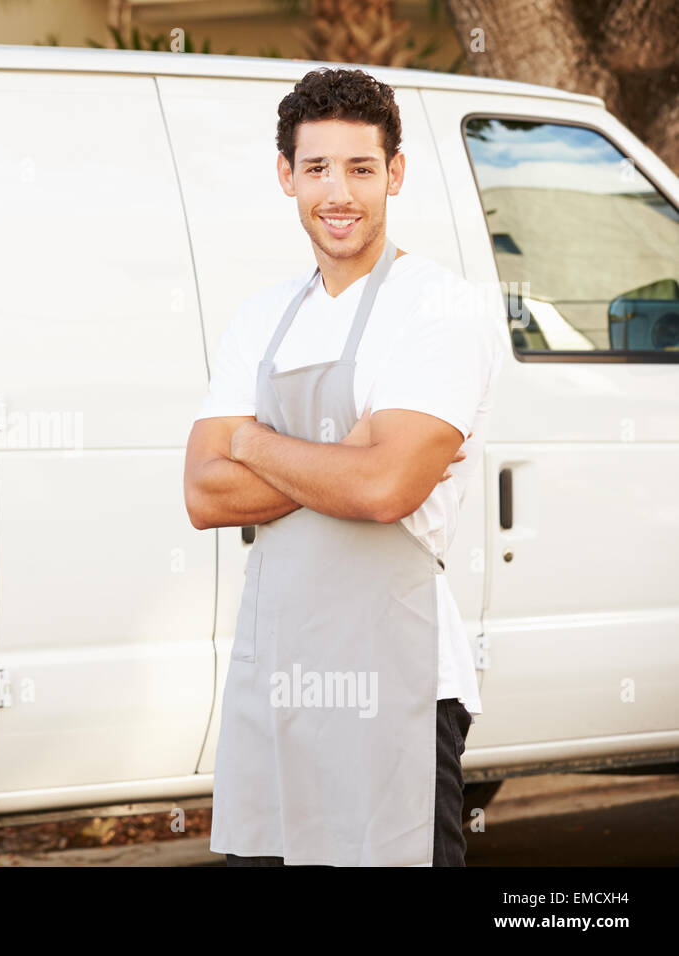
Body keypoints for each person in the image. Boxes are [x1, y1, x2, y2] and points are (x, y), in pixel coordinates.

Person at [183, 67, 505, 866]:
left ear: (395, 172)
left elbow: (386, 487)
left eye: (362, 168)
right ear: (287, 174)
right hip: (276, 683)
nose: (340, 192)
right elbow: (202, 491)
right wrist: (345, 447)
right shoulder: (261, 317)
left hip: (395, 683)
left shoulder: (440, 309)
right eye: (318, 167)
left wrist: (254, 441)